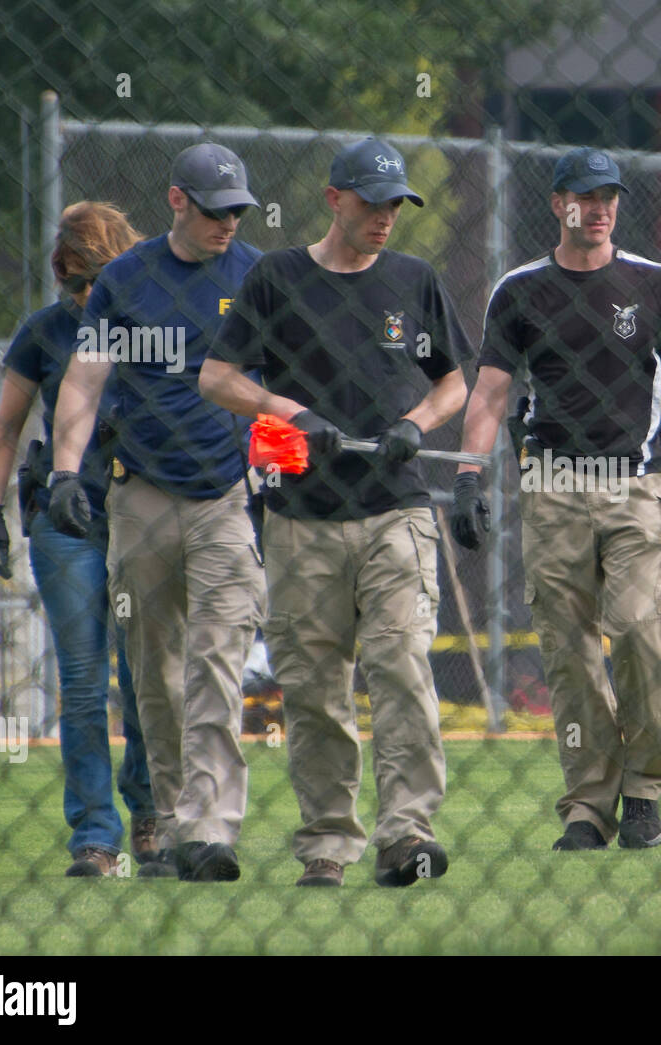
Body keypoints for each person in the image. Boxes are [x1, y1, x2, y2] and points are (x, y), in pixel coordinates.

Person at [200, 137, 471, 888]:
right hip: (300, 516)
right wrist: (288, 411)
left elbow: (456, 382)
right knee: (315, 686)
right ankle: (328, 841)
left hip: (397, 509)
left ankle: (407, 834)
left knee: (401, 664)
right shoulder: (276, 277)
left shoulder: (415, 280)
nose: (386, 217)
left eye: (395, 205)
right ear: (334, 200)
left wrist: (418, 423)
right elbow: (217, 377)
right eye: (372, 202)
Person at [450, 147, 661, 851]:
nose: (599, 207)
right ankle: (587, 803)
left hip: (637, 487)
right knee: (568, 655)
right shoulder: (519, 290)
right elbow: (489, 392)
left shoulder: (654, 284)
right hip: (550, 491)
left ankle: (643, 788)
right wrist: (467, 476)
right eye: (585, 195)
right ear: (557, 203)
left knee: (641, 630)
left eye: (609, 196)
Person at [50, 143, 265, 882]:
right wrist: (63, 471)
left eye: (237, 211)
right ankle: (169, 822)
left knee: (216, 660)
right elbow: (83, 381)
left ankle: (210, 828)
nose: (227, 224)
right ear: (177, 202)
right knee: (155, 668)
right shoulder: (125, 280)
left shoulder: (255, 276)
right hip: (140, 493)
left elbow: (286, 378)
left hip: (226, 496)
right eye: (214, 211)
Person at [0, 201, 156, 877]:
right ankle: (94, 834)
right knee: (84, 681)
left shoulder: (149, 329)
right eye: (74, 285)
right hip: (66, 516)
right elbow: (4, 428)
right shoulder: (44, 333)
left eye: (95, 282)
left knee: (146, 679)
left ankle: (149, 814)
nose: (84, 298)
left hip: (140, 510)